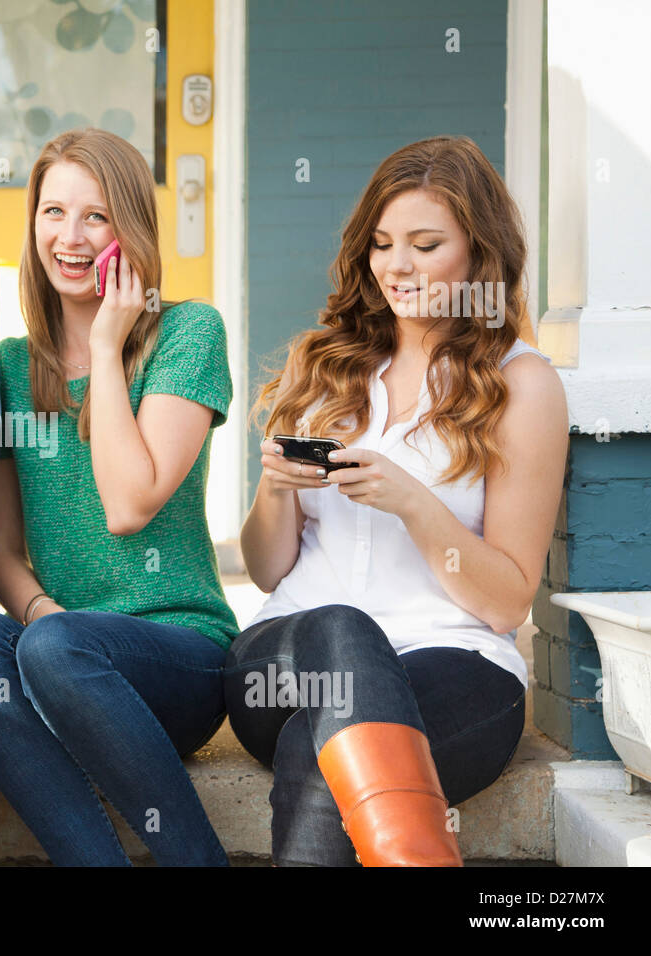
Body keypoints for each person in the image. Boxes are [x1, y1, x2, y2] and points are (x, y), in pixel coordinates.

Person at [232, 135, 568, 866]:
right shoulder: (326, 363)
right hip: (286, 654)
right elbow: (265, 569)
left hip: (454, 663)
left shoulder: (523, 384)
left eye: (425, 244)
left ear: (480, 252)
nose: (397, 266)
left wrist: (414, 502)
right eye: (383, 244)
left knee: (316, 749)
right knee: (342, 633)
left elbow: (508, 602)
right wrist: (274, 489)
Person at [0, 128, 238, 866]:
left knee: (60, 647)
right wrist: (42, 616)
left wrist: (105, 347)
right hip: (55, 650)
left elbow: (128, 506)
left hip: (178, 654)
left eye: (95, 216)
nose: (69, 237)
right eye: (52, 212)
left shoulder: (186, 333)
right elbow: (0, 553)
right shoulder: (9, 365)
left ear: (129, 230)